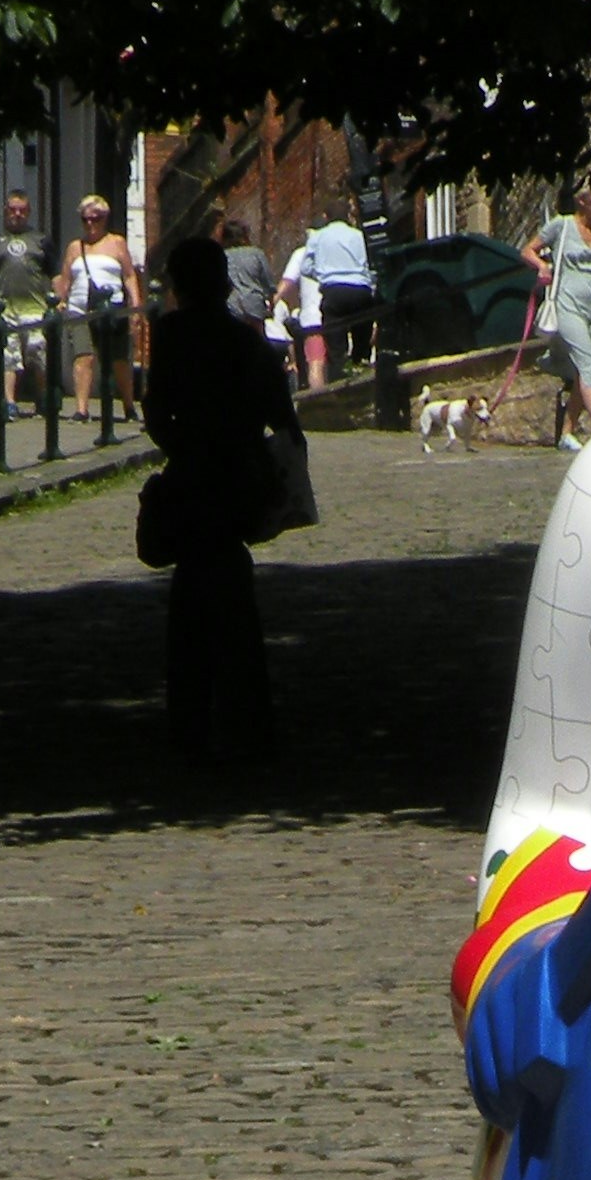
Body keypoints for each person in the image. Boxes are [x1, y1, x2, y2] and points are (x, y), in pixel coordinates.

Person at [143, 232, 297, 761]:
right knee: (236, 609)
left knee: (190, 608)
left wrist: (180, 445)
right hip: (235, 479)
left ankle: (189, 729)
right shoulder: (242, 341)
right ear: (224, 284)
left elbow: (157, 408)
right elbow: (281, 414)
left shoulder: (171, 335)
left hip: (192, 477)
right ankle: (247, 726)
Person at [522, 172, 591, 445]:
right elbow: (528, 250)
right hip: (567, 302)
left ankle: (567, 433)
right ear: (582, 200)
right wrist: (542, 266)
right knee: (587, 364)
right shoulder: (561, 226)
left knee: (587, 370)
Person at [56, 192, 138, 422]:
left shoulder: (117, 243)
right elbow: (65, 278)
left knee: (118, 359)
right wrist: (60, 300)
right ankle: (82, 409)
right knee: (83, 357)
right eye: (85, 219)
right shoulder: (75, 247)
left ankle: (129, 405)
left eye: (96, 218)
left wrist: (136, 304)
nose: (90, 224)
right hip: (80, 309)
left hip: (112, 309)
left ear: (105, 218)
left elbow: (129, 275)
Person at [279, 192, 372, 385]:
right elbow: (365, 263)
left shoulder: (318, 237)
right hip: (360, 289)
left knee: (336, 340)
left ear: (326, 217)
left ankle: (342, 376)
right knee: (362, 332)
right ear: (347, 216)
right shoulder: (358, 235)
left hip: (334, 291)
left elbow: (306, 268)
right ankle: (362, 367)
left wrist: (322, 274)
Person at [0, 190, 54, 411]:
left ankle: (44, 399)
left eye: (21, 210)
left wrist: (58, 300)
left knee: (38, 354)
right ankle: (9, 402)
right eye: (13, 210)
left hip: (36, 308)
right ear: (5, 212)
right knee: (9, 357)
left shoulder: (41, 240)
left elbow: (55, 273)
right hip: (5, 309)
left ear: (28, 212)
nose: (17, 214)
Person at [220, 219, 273, 331]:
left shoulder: (221, 256)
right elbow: (268, 282)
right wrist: (271, 302)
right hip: (254, 304)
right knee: (257, 338)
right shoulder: (256, 253)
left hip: (232, 306)